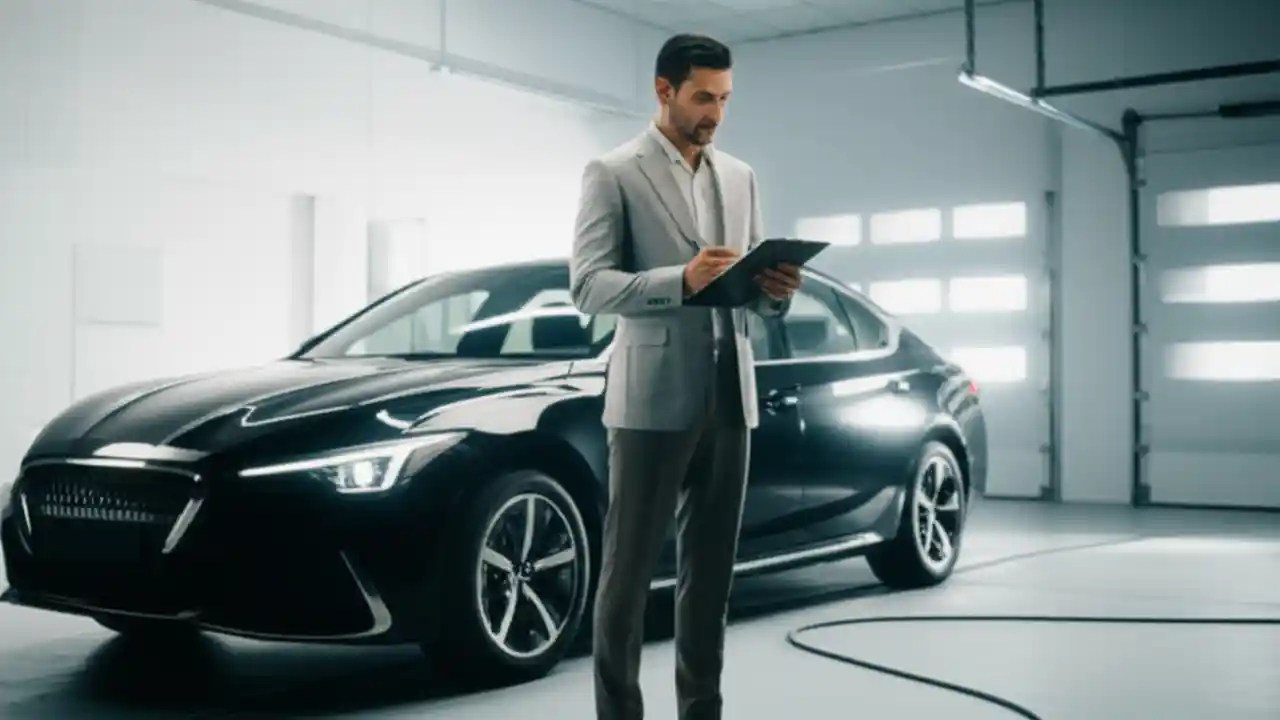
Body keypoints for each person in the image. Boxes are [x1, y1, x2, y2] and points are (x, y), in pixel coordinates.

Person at [569, 32, 802, 720]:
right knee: (628, 578)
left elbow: (756, 292)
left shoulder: (740, 174)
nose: (717, 113)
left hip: (732, 395)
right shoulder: (612, 172)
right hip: (648, 404)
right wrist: (682, 279)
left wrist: (777, 289)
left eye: (726, 99)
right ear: (663, 91)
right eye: (704, 97)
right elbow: (587, 286)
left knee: (712, 580)